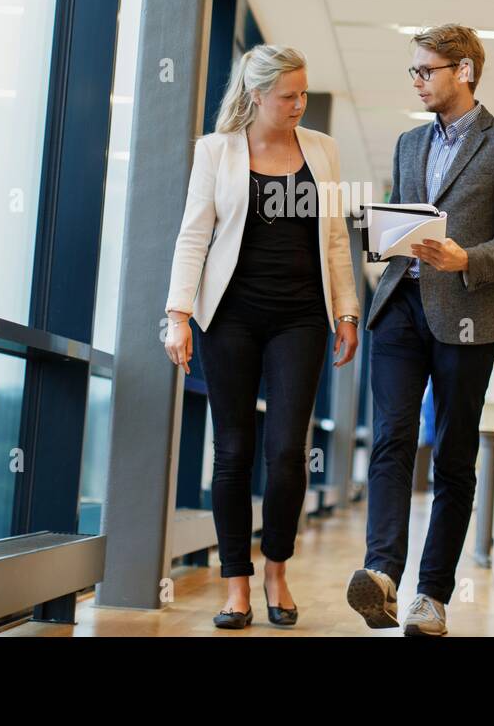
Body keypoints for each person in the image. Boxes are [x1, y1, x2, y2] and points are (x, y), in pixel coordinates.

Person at [346, 23, 494, 636]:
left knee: (454, 457)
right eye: (413, 71)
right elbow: (409, 220)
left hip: (466, 312)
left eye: (426, 71)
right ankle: (381, 574)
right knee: (392, 437)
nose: (417, 81)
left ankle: (431, 598)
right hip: (401, 305)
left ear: (465, 72)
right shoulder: (407, 143)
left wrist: (467, 259)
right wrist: (385, 235)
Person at [164, 44, 360, 630]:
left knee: (285, 452)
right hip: (231, 317)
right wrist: (177, 314)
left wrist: (347, 313)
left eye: (303, 93)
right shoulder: (217, 152)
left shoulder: (322, 151)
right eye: (288, 96)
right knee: (233, 451)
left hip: (300, 318)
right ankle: (236, 582)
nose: (299, 104)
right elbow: (193, 235)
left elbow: (333, 242)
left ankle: (276, 567)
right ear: (256, 97)